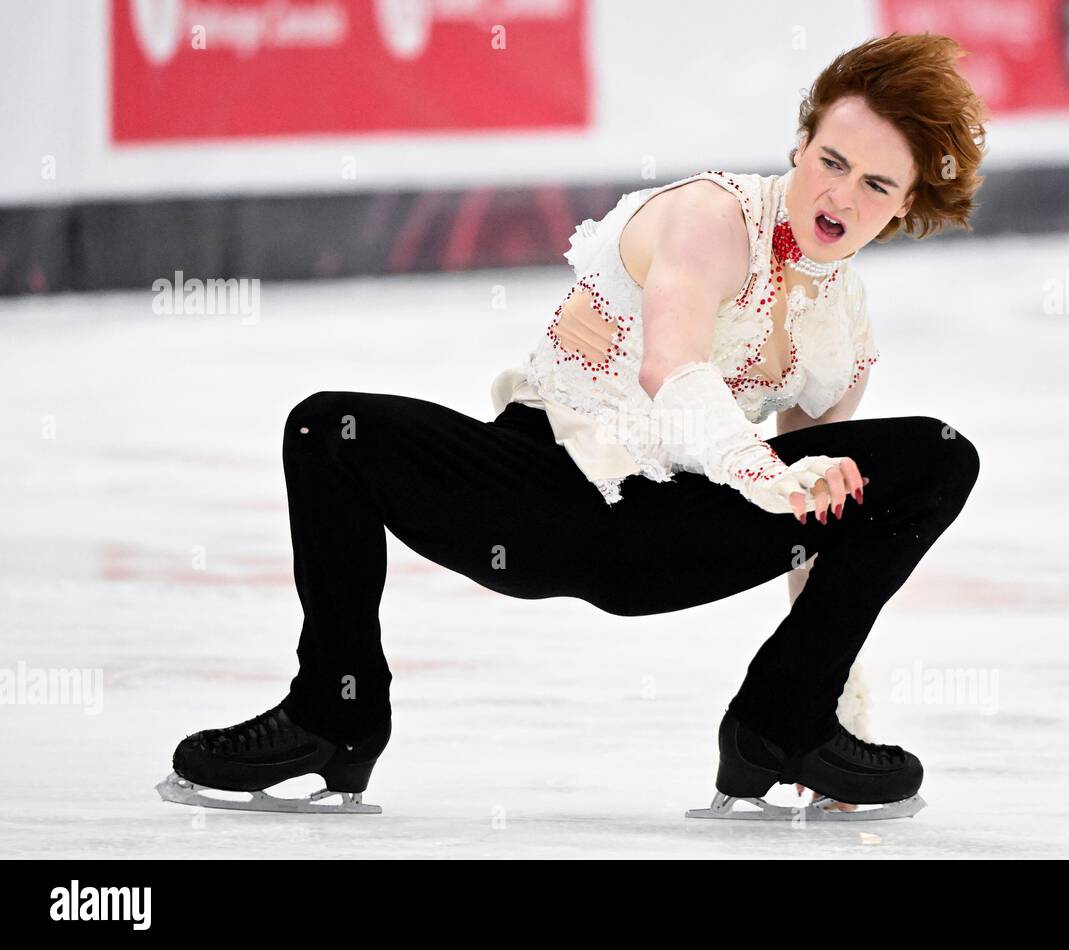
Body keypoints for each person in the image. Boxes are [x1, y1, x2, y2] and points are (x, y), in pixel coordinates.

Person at [158, 33, 987, 817]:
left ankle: (782, 731)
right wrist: (767, 473)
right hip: (542, 498)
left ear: (907, 203)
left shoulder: (844, 332)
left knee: (937, 458)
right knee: (327, 429)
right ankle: (331, 716)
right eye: (831, 162)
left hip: (668, 537)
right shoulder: (711, 216)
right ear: (801, 146)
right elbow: (673, 367)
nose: (840, 194)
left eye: (876, 185)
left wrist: (829, 693)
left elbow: (820, 528)